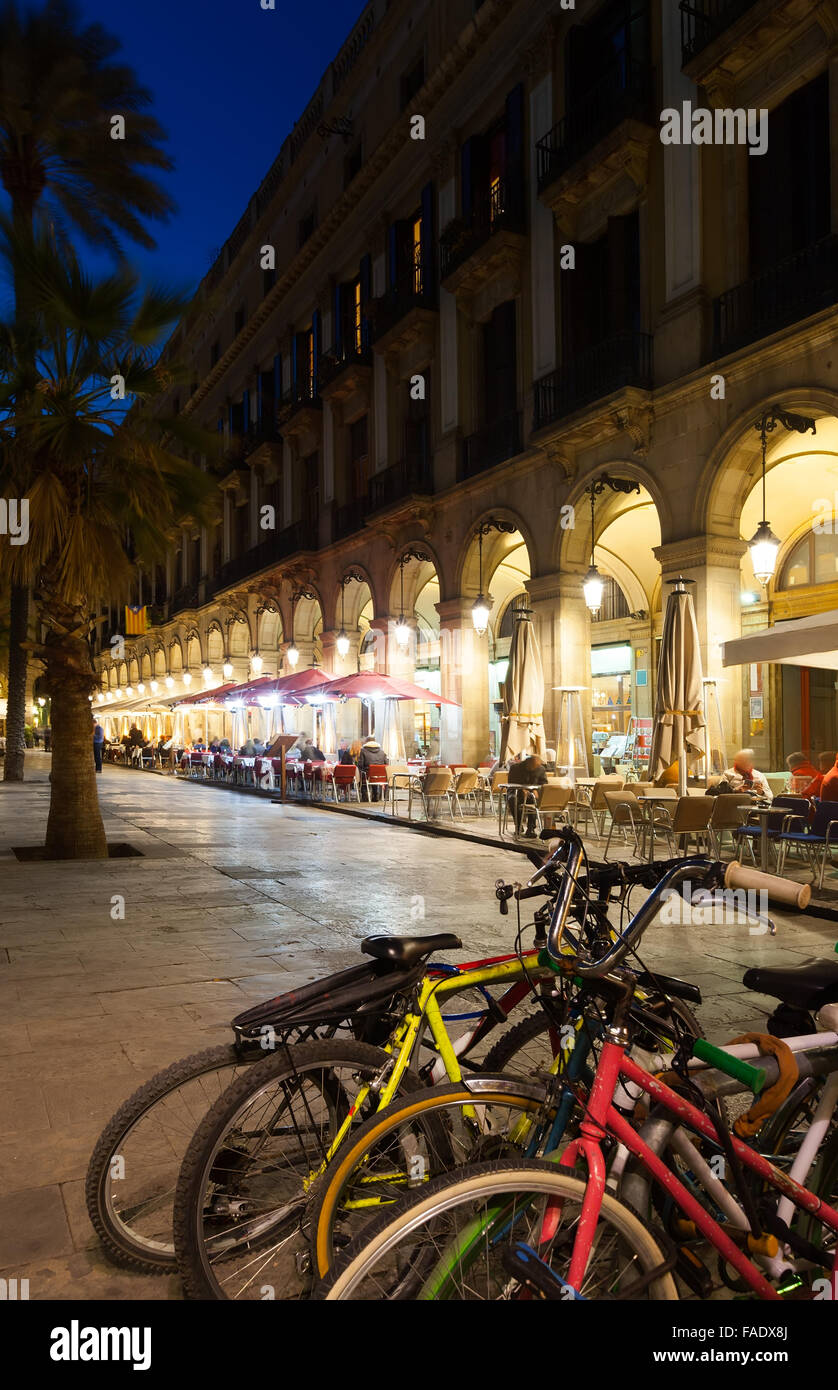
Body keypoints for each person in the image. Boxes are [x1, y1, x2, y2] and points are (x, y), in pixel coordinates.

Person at [506, 753, 548, 836]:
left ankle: (531, 829)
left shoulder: (540, 769)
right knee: (512, 799)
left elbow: (544, 784)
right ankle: (518, 825)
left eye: (536, 766)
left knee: (534, 800)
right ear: (528, 762)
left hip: (532, 793)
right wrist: (522, 789)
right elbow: (511, 783)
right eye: (533, 766)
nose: (534, 768)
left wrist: (536, 790)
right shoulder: (515, 768)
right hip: (516, 792)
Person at [357, 735, 388, 801]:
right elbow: (386, 763)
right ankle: (375, 794)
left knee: (363, 774)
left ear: (367, 742)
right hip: (380, 776)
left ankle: (365, 795)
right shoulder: (382, 752)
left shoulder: (363, 751)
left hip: (368, 775)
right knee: (374, 775)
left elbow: (360, 765)